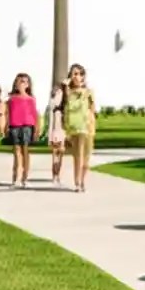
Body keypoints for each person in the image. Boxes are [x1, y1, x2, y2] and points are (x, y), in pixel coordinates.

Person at [63, 64, 96, 193]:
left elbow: (92, 109)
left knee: (86, 158)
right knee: (78, 156)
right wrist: (66, 86)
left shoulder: (88, 92)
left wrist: (91, 123)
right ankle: (78, 183)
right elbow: (67, 107)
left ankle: (83, 180)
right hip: (74, 128)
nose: (76, 77)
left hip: (87, 127)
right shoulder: (68, 92)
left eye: (78, 74)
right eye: (74, 74)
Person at [5, 73, 38, 188]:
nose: (22, 84)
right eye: (20, 82)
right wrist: (6, 126)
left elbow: (34, 115)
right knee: (16, 152)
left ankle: (25, 177)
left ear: (28, 85)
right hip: (15, 126)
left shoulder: (31, 99)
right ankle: (15, 178)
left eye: (24, 82)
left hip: (27, 126)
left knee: (25, 152)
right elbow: (8, 114)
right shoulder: (11, 99)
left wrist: (36, 130)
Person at [43, 81, 68, 185]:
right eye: (57, 92)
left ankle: (58, 175)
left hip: (63, 131)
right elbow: (50, 121)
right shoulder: (52, 104)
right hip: (55, 131)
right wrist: (49, 135)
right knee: (55, 155)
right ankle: (54, 176)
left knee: (61, 155)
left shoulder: (66, 105)